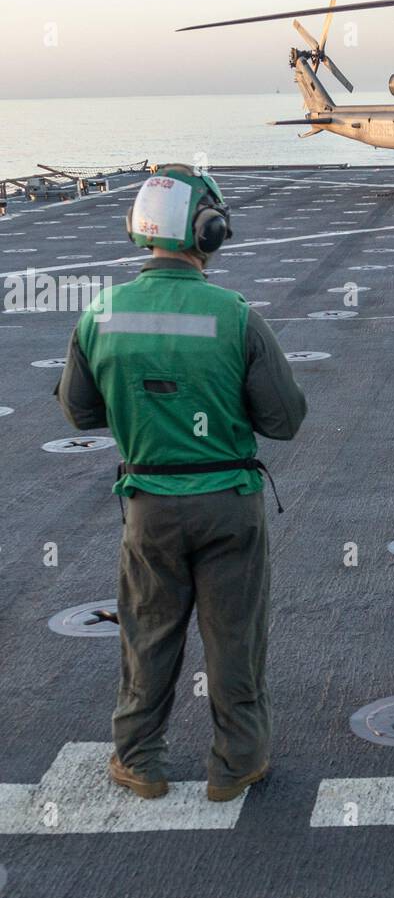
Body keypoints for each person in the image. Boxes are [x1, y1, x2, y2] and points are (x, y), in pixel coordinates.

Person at [56, 164, 307, 802]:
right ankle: (236, 764)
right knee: (235, 641)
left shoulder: (100, 314)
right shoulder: (235, 313)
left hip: (149, 507)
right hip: (229, 507)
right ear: (209, 231)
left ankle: (139, 760)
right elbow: (285, 419)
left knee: (147, 635)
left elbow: (80, 413)